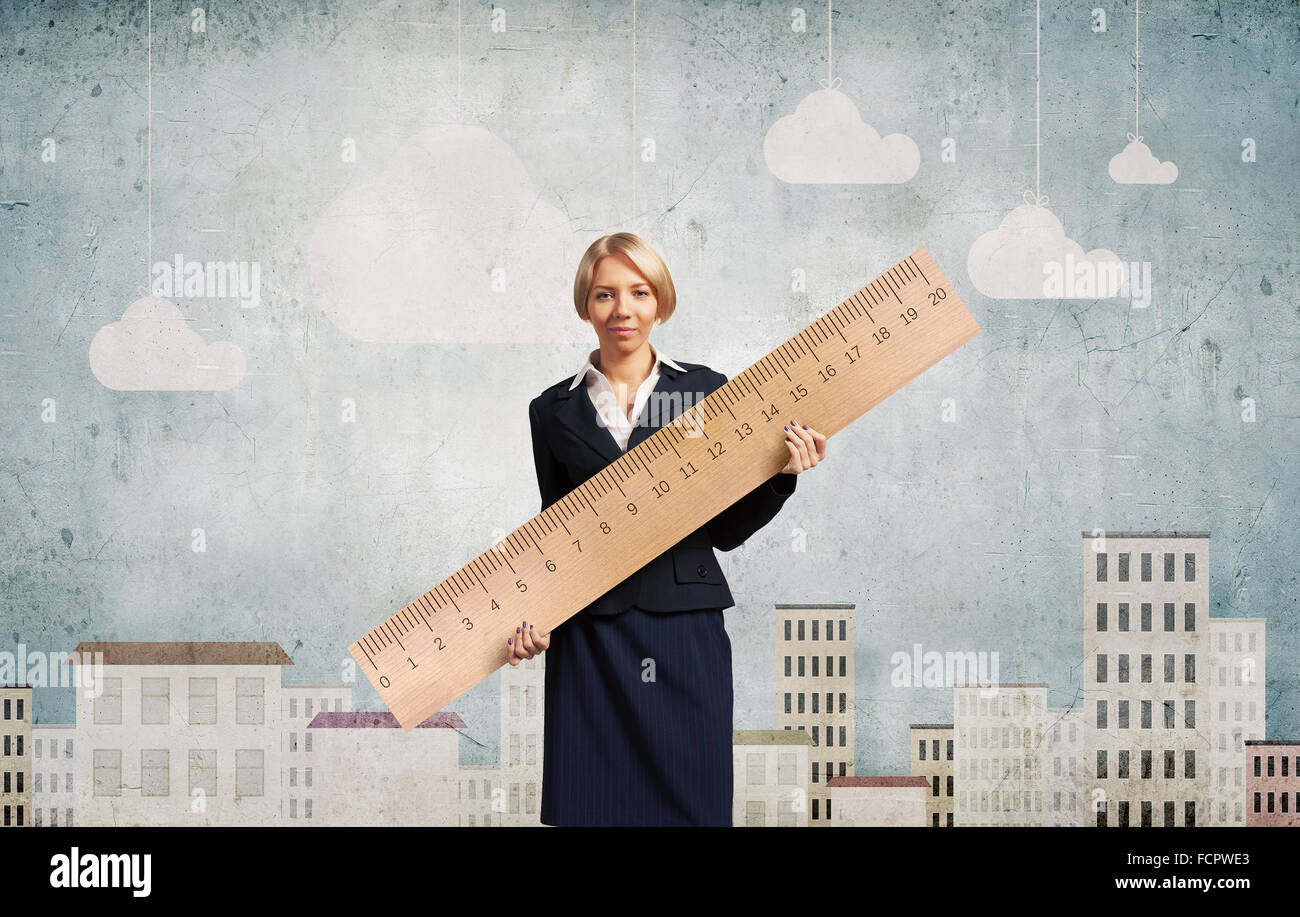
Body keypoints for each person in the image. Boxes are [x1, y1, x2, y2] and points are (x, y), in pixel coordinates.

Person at [511, 232, 827, 826]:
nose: (622, 309)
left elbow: (727, 529)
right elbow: (557, 537)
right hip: (590, 635)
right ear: (585, 304)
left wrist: (783, 476)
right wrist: (533, 622)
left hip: (684, 627)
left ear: (661, 303)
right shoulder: (549, 410)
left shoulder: (709, 393)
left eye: (638, 292)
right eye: (605, 294)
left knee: (693, 802)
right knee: (591, 802)